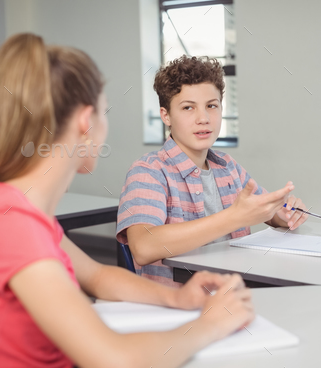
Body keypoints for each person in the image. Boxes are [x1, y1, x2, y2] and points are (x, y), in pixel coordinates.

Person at [0, 33, 254, 368]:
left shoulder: (16, 210)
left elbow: (98, 276)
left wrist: (177, 296)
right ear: (86, 121)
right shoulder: (9, 224)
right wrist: (208, 325)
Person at [117, 55, 308, 285]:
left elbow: (265, 210)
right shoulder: (148, 171)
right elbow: (143, 246)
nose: (204, 118)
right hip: (179, 307)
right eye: (188, 108)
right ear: (165, 115)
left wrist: (285, 215)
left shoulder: (227, 166)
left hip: (235, 295)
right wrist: (233, 218)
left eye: (211, 106)